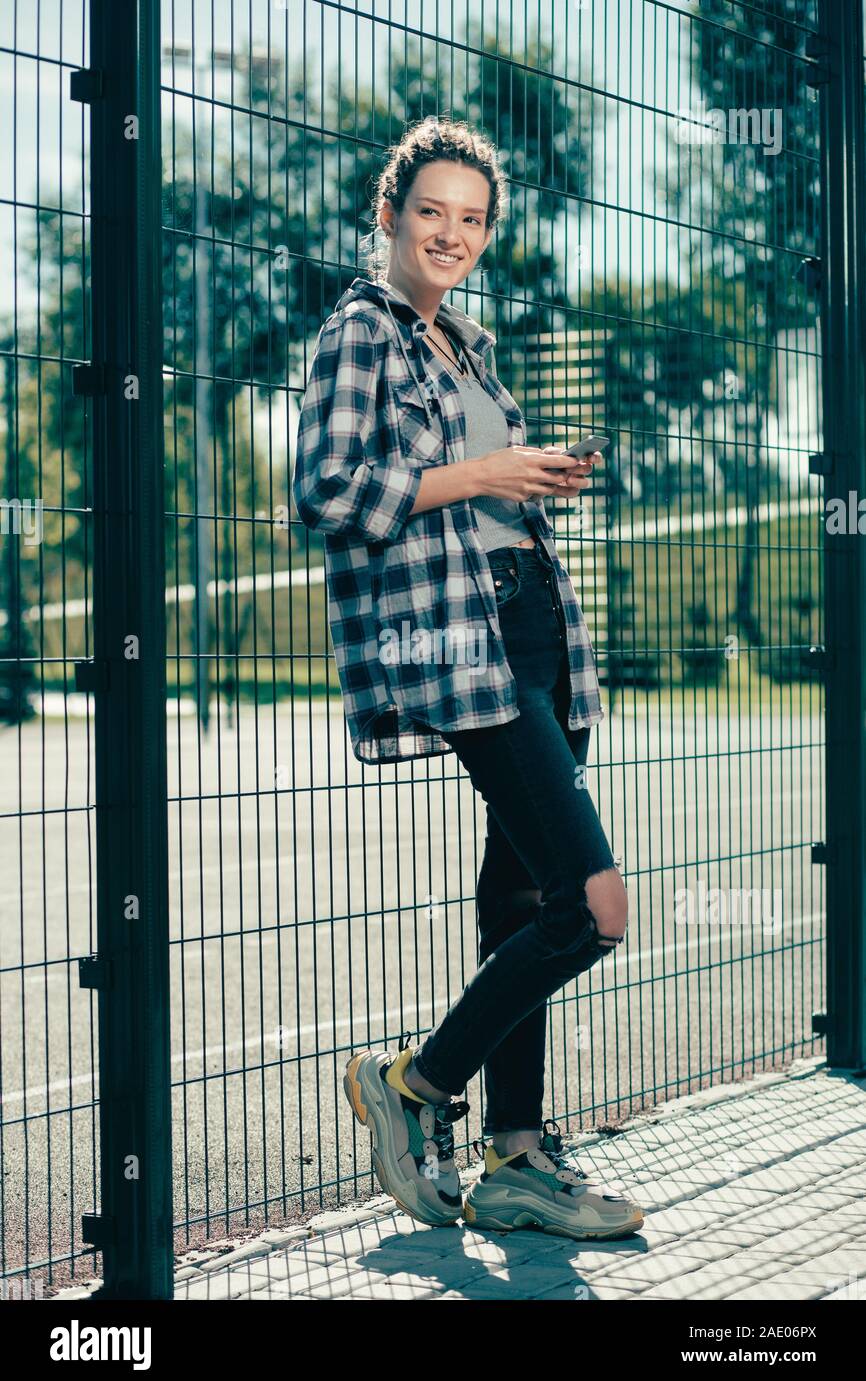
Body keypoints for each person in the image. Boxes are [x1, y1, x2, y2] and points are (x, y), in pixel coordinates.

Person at [293, 116, 642, 1240]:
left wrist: (526, 481)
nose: (451, 233)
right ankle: (414, 1086)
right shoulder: (360, 328)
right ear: (389, 214)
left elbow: (472, 493)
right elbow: (329, 493)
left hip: (534, 632)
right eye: (430, 211)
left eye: (472, 218)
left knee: (526, 900)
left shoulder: (467, 345)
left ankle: (517, 1158)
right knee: (593, 907)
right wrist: (484, 468)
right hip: (458, 641)